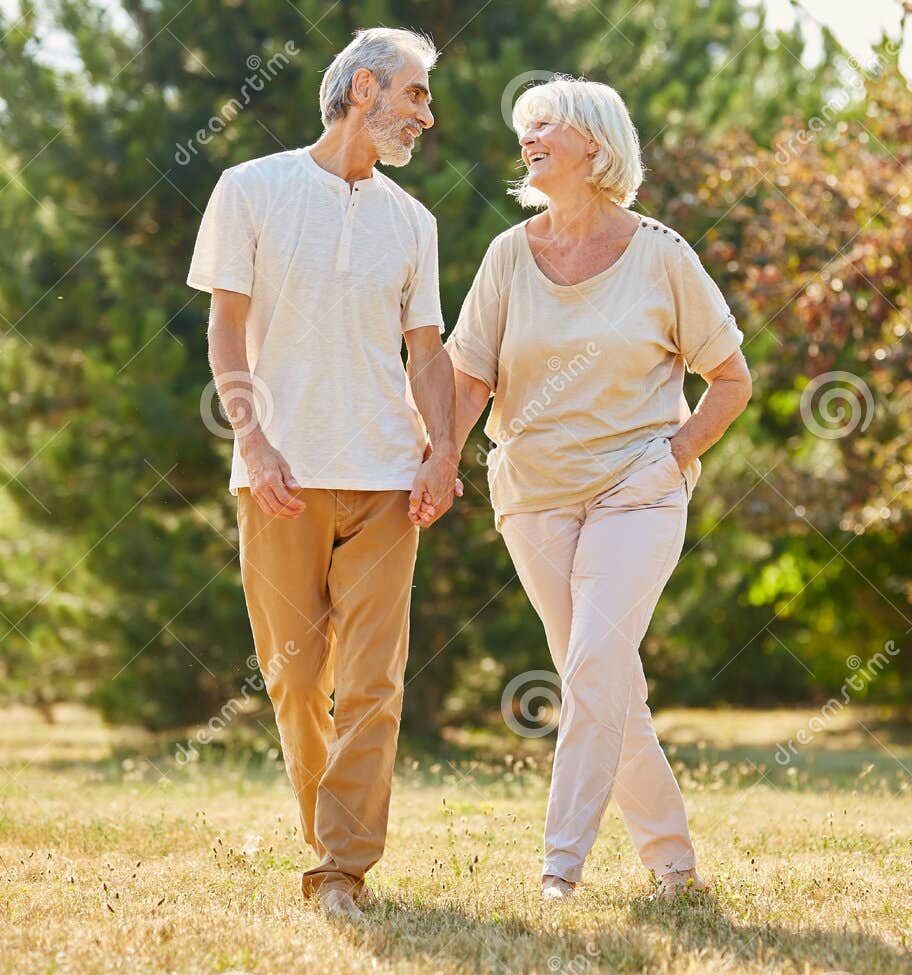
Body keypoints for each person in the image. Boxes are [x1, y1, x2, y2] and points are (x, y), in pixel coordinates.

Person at [444, 76, 753, 902]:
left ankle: (559, 869)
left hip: (637, 493)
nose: (529, 136)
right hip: (534, 495)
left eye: (547, 124)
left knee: (590, 666)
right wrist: (439, 457)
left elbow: (731, 378)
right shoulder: (510, 254)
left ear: (596, 144)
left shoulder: (661, 251)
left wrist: (674, 455)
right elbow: (469, 379)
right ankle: (675, 869)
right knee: (607, 681)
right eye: (524, 126)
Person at [186, 28, 461, 921]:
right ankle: (327, 829)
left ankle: (343, 866)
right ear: (367, 90)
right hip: (280, 478)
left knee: (374, 680)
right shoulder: (251, 190)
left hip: (386, 476)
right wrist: (254, 440)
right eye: (416, 95)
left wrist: (445, 448)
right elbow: (226, 331)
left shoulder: (412, 221)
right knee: (297, 679)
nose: (427, 114)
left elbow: (427, 351)